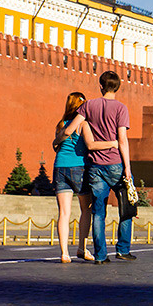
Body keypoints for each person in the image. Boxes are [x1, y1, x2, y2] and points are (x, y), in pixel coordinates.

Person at [74, 70, 135, 264]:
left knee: (98, 212)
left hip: (95, 166)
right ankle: (122, 249)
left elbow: (75, 128)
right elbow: (122, 140)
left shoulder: (88, 105)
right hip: (116, 163)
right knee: (126, 206)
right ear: (117, 87)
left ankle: (100, 255)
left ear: (100, 86)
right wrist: (127, 168)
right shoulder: (121, 108)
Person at [52, 91, 98, 264]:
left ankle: (64, 253)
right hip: (79, 168)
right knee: (86, 209)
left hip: (59, 167)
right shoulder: (83, 124)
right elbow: (90, 145)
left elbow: (58, 144)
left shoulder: (61, 124)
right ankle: (82, 248)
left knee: (63, 213)